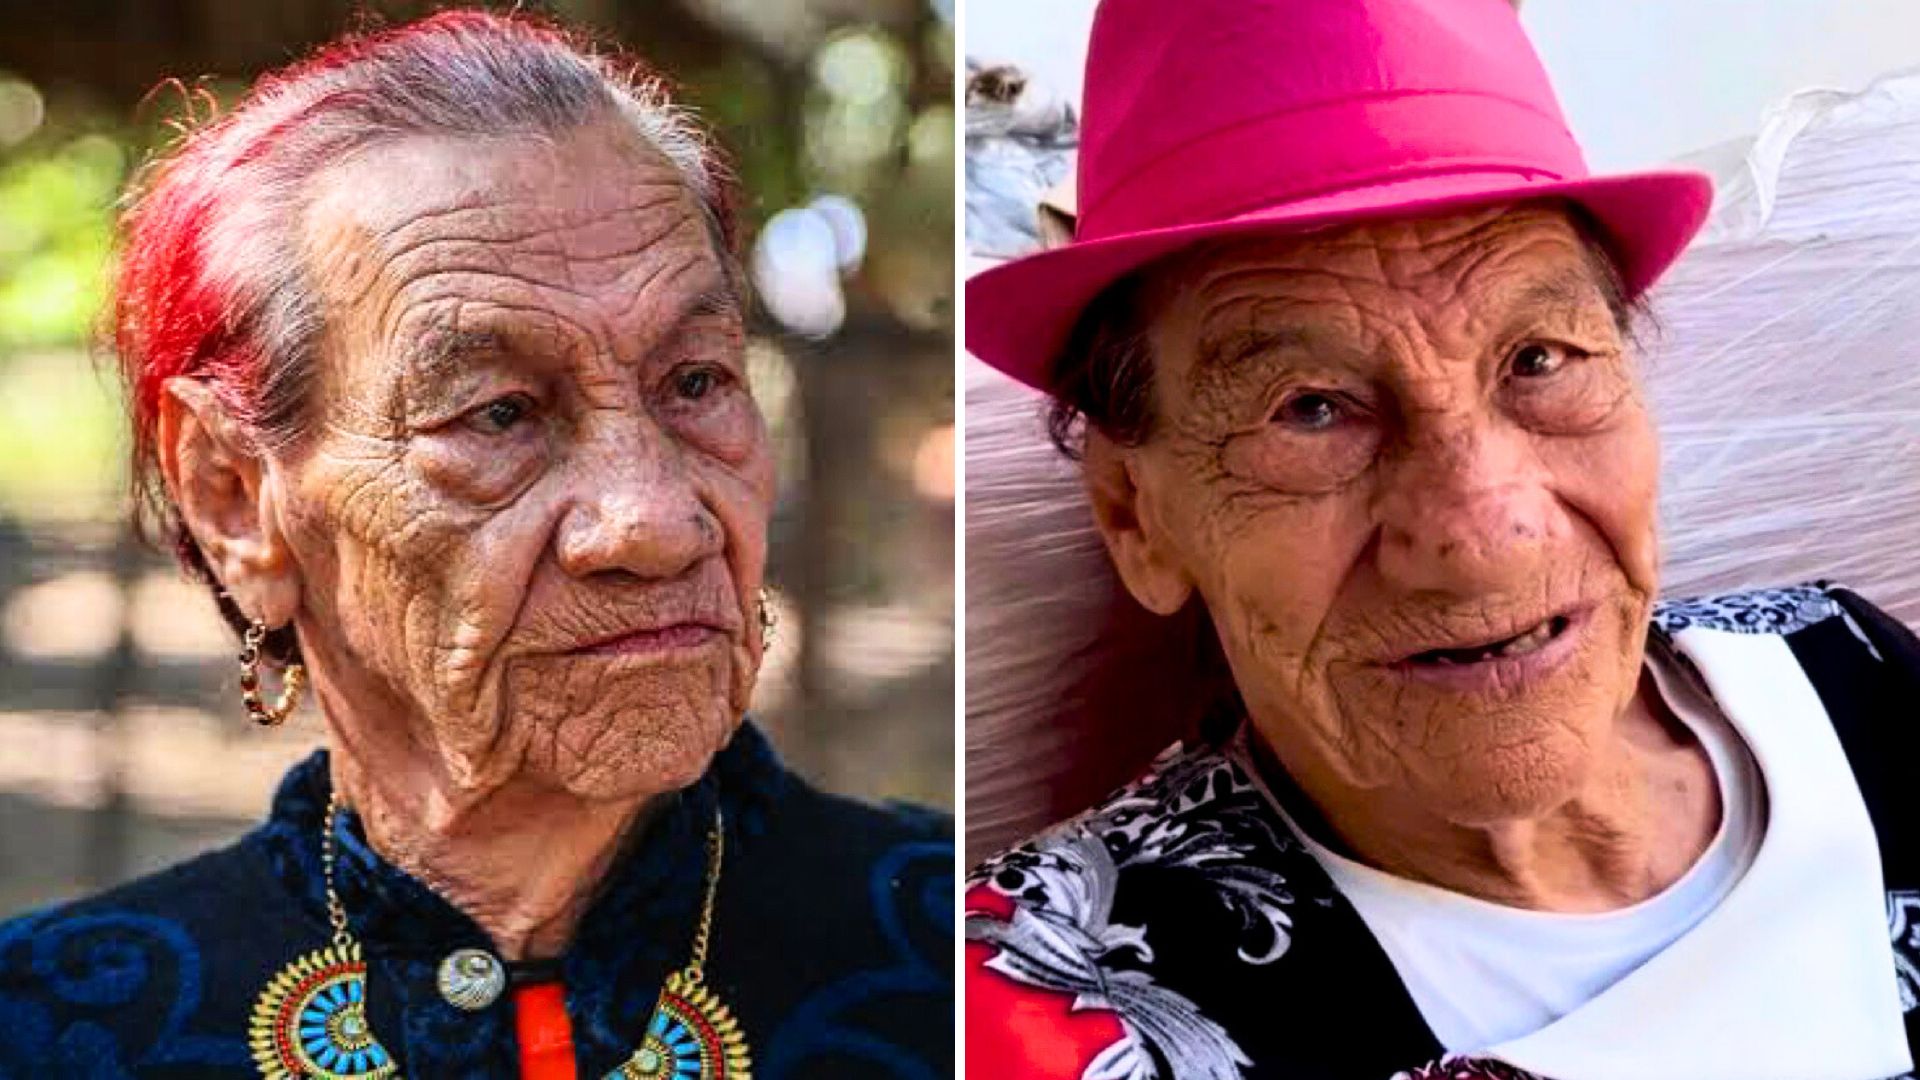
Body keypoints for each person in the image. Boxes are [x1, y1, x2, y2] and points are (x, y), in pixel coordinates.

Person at [963, 0, 1920, 1076]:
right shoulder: (1038, 1004)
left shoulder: (1852, 668)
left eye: (1540, 360)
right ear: (1135, 517)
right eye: (1312, 408)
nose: (1483, 535)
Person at [0, 11, 951, 1078]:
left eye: (695, 383)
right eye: (498, 413)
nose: (654, 518)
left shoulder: (995, 974)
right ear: (234, 496)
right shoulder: (52, 1029)